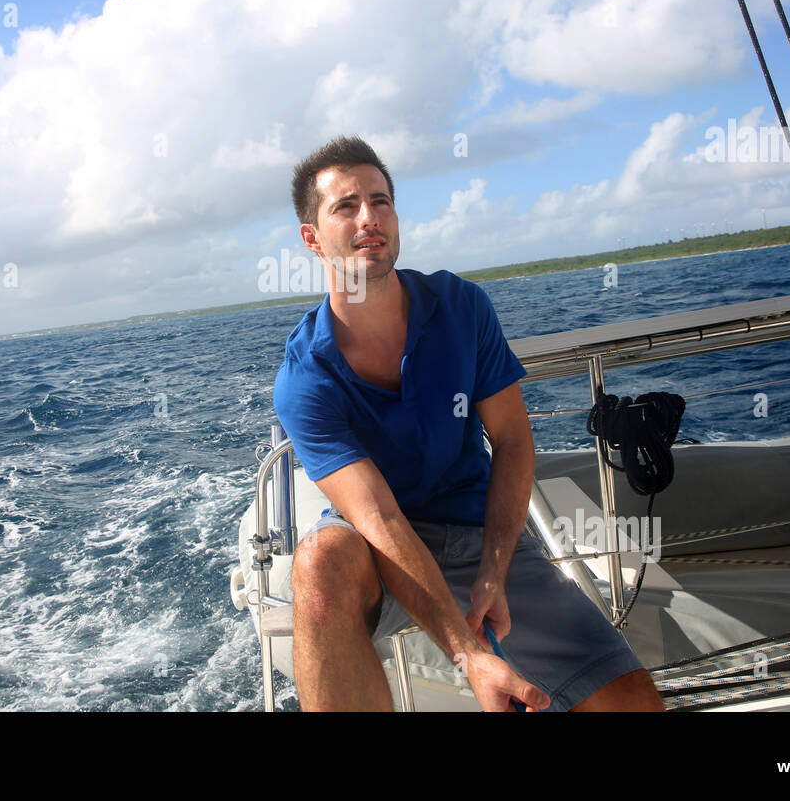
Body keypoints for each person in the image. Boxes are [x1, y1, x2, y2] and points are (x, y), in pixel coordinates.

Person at [272, 135, 664, 712]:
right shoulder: (306, 376)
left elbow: (510, 440)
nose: (369, 219)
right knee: (319, 565)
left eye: (381, 201)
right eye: (346, 206)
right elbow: (377, 517)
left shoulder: (461, 308)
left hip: (475, 531)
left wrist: (493, 570)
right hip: (376, 545)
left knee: (632, 703)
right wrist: (467, 653)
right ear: (312, 237)